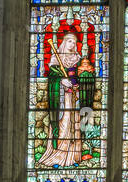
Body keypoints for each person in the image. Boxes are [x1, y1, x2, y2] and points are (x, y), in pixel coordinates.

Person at [38, 29, 95, 169]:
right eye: (69, 41)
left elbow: (82, 74)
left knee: (74, 124)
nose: (72, 44)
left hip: (75, 97)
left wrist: (79, 81)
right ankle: (58, 156)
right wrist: (61, 81)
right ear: (64, 42)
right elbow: (53, 77)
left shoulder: (77, 57)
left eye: (74, 42)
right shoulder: (55, 58)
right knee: (63, 123)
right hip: (63, 97)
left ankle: (73, 157)